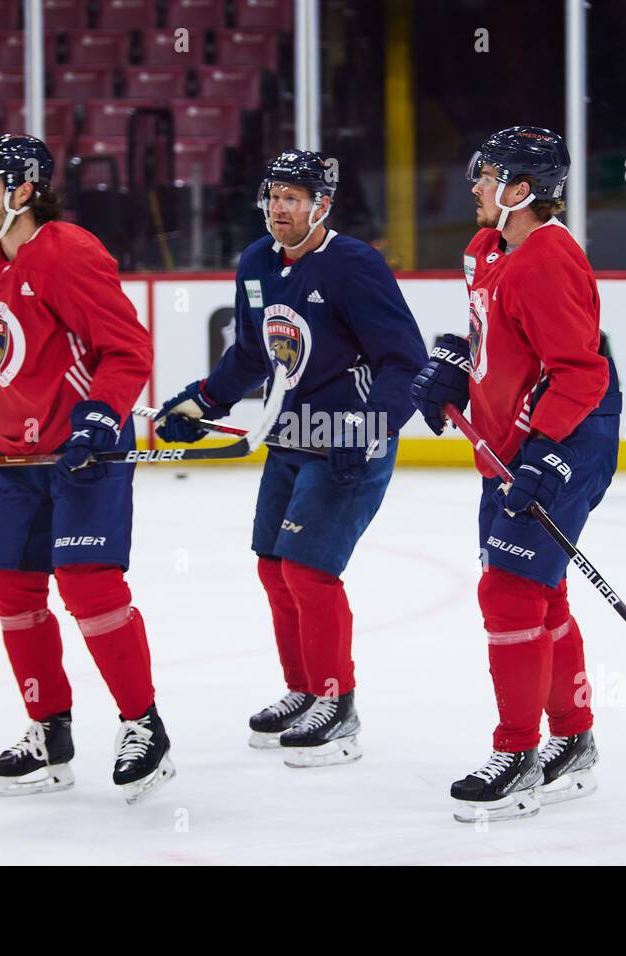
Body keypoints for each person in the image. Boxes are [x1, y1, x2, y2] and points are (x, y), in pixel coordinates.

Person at [0, 134, 173, 804]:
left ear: (25, 190)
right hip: (17, 458)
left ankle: (143, 725)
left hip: (84, 450)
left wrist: (100, 414)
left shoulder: (68, 252)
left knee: (89, 587)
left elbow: (127, 348)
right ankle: (49, 731)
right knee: (11, 592)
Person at [155, 149, 427, 767]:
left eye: (293, 199)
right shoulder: (256, 262)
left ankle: (338, 703)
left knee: (309, 571)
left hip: (347, 445)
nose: (279, 208)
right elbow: (252, 354)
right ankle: (305, 688)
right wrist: (200, 403)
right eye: (273, 196)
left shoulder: (354, 266)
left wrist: (370, 427)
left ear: (322, 206)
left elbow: (404, 363)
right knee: (274, 567)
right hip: (288, 438)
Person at [411, 126, 622, 822]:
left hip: (564, 443)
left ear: (521, 190)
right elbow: (493, 341)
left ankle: (519, 753)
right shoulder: (487, 249)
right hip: (508, 448)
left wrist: (546, 458)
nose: (473, 185)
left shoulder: (549, 261)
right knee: (539, 595)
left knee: (507, 593)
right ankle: (573, 740)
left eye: (487, 175)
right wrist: (453, 367)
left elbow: (580, 375)